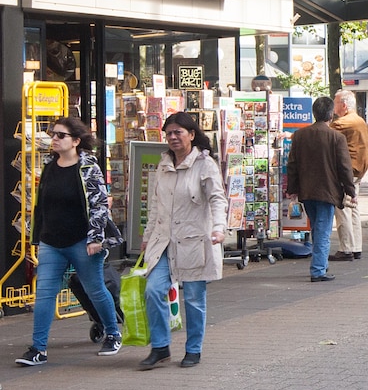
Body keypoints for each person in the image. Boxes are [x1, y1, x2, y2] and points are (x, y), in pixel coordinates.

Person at [17, 117, 123, 366]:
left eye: (60, 135)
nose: (54, 138)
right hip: (51, 242)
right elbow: (41, 205)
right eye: (53, 134)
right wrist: (38, 236)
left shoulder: (88, 168)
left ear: (76, 141)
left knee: (95, 289)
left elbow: (98, 205)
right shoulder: (49, 167)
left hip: (82, 242)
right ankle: (38, 348)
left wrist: (96, 238)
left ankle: (113, 332)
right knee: (44, 294)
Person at [138, 112, 228, 370]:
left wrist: (219, 228)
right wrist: (147, 238)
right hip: (164, 241)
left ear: (191, 134)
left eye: (179, 132)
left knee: (194, 298)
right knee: (153, 290)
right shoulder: (163, 164)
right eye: (169, 133)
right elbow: (155, 204)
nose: (173, 137)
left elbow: (217, 199)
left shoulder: (204, 163)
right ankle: (160, 346)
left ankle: (193, 349)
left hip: (194, 240)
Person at [286, 96, 356, 282]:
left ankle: (321, 263)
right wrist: (351, 191)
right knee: (323, 230)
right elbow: (344, 167)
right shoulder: (336, 137)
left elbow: (292, 164)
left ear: (314, 113)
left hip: (307, 191)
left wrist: (292, 188)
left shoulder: (300, 135)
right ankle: (318, 270)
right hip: (327, 191)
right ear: (331, 114)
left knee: (317, 228)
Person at [329, 90, 368, 262]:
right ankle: (356, 247)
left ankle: (346, 248)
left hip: (347, 170)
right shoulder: (360, 121)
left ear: (343, 105)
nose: (333, 105)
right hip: (359, 170)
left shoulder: (344, 123)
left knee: (343, 207)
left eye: (335, 102)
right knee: (353, 208)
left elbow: (321, 132)